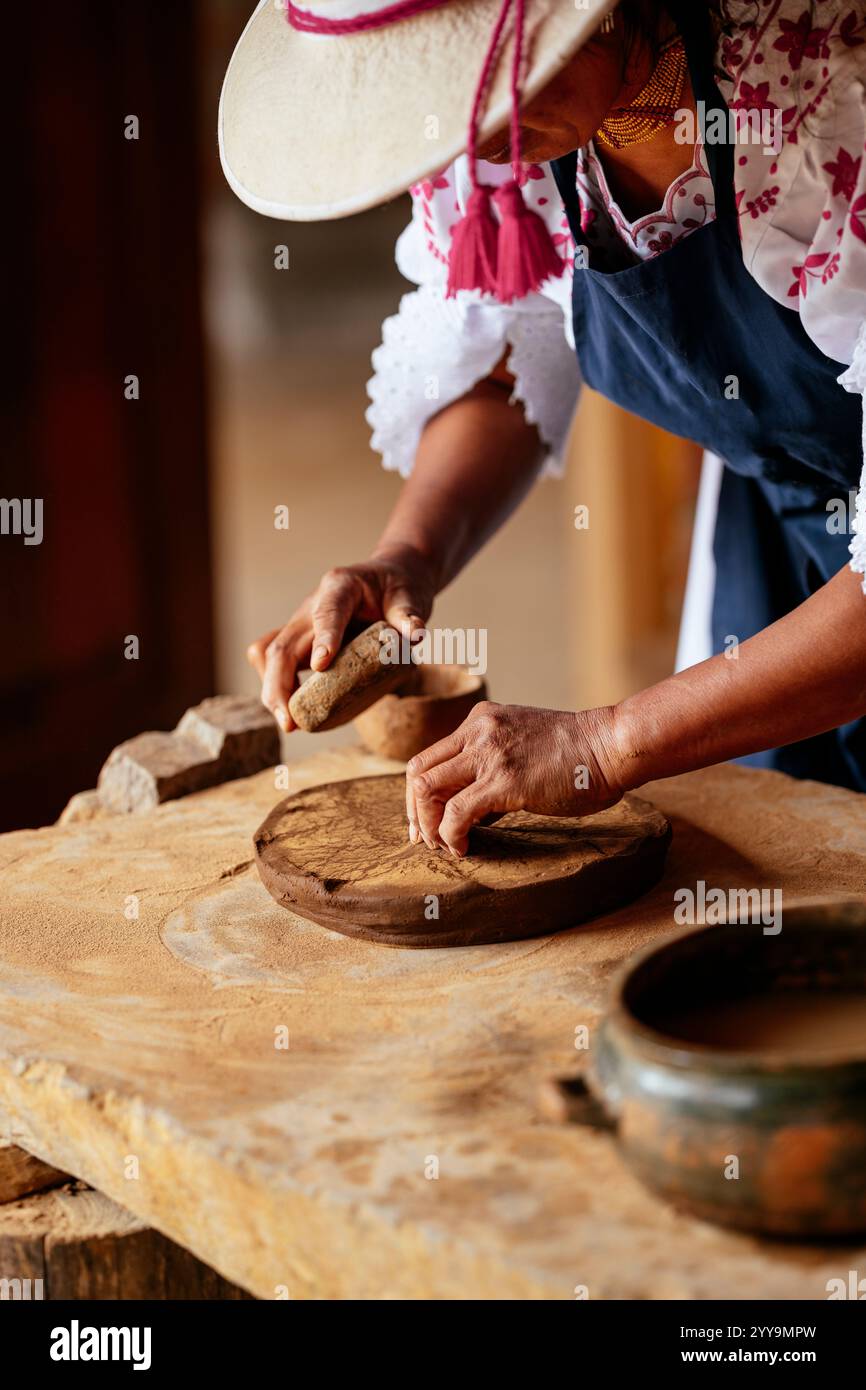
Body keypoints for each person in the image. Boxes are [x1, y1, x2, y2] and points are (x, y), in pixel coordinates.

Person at [221, 0, 866, 856]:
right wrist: (408, 554)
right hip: (777, 556)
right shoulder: (503, 132)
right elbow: (512, 336)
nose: (463, 139)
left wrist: (608, 742)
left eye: (476, 79)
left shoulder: (819, 92)